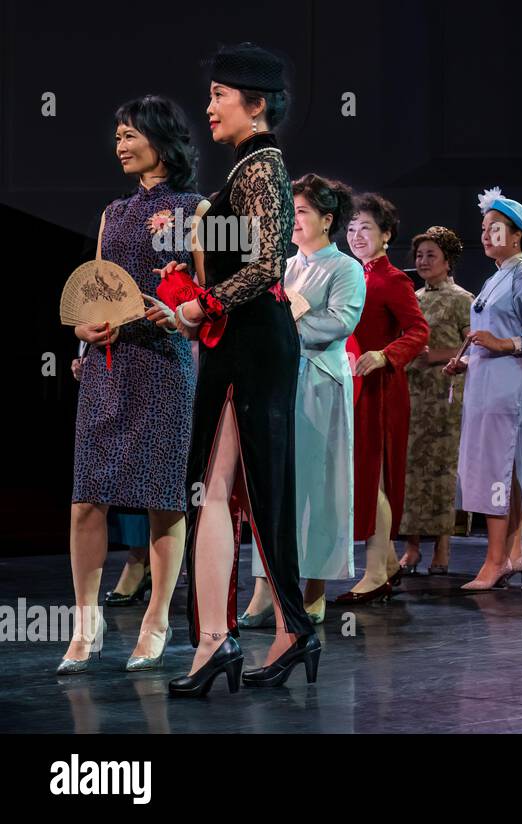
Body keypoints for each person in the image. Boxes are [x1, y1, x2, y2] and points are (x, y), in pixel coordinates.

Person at [153, 43, 317, 696]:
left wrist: (204, 301)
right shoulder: (249, 169)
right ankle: (251, 635)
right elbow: (241, 264)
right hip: (238, 339)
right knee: (222, 490)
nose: (210, 106)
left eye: (221, 95)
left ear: (256, 103)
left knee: (228, 490)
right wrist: (188, 291)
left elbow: (270, 263)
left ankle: (237, 639)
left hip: (251, 342)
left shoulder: (262, 166)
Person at [60, 95, 201, 674]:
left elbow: (209, 292)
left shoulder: (196, 208)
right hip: (108, 364)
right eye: (116, 136)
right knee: (86, 497)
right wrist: (82, 334)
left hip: (165, 362)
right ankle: (85, 623)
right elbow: (96, 288)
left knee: (161, 497)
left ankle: (159, 618)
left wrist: (184, 313)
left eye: (129, 134)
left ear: (159, 140)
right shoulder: (112, 212)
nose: (120, 144)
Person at [240, 173, 364, 626]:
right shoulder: (283, 266)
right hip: (279, 382)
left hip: (321, 384)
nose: (292, 220)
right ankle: (265, 588)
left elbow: (340, 323)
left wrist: (283, 331)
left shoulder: (345, 268)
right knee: (272, 486)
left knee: (320, 487)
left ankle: (314, 587)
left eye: (303, 212)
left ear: (327, 219)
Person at [446, 188, 522, 590]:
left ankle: (494, 561)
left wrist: (502, 344)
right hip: (486, 382)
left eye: (496, 229)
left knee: (499, 466)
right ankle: (513, 553)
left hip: (508, 385)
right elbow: (488, 335)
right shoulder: (497, 278)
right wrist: (468, 359)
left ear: (516, 236)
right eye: (484, 228)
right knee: (501, 469)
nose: (487, 235)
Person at [335, 193, 430, 604]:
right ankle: (387, 563)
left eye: (366, 228)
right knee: (362, 476)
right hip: (349, 386)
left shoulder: (392, 279)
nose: (356, 235)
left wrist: (385, 355)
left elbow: (418, 331)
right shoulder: (350, 274)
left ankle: (375, 572)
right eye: (352, 228)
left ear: (386, 235)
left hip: (380, 389)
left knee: (372, 476)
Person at [398, 226, 472, 576]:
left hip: (445, 395)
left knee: (441, 470)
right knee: (411, 471)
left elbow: (474, 348)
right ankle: (412, 547)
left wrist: (437, 356)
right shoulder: (413, 297)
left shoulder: (463, 299)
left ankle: (443, 546)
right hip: (412, 393)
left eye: (431, 255)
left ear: (447, 261)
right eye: (419, 255)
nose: (423, 261)